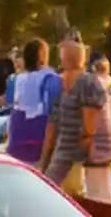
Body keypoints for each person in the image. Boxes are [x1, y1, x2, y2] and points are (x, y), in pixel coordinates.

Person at [40, 40, 97, 197]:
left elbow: (52, 126)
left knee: (59, 196)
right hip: (70, 156)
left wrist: (44, 158)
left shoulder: (65, 84)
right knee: (71, 198)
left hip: (67, 155)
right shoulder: (87, 83)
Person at [6, 39, 62, 167]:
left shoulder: (14, 80)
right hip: (41, 138)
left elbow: (10, 102)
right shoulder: (52, 79)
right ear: (43, 55)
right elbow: (54, 110)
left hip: (17, 137)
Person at [83, 54, 111, 204]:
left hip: (95, 148)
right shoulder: (104, 89)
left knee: (97, 194)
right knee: (103, 191)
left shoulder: (92, 88)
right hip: (106, 147)